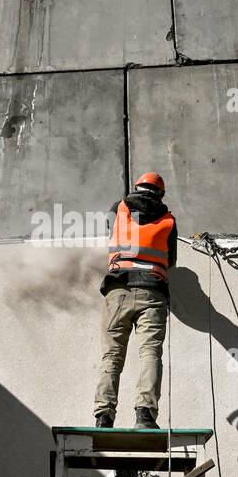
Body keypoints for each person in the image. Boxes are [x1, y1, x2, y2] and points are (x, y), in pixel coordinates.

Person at [94, 172, 178, 429]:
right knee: (150, 352)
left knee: (112, 355)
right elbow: (170, 261)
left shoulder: (117, 208)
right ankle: (145, 416)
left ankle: (104, 417)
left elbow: (111, 233)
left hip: (118, 290)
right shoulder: (169, 220)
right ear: (161, 194)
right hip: (152, 291)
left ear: (137, 187)